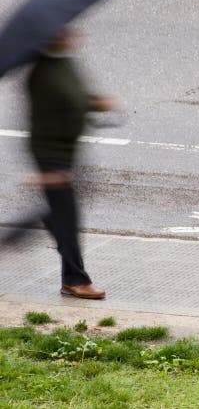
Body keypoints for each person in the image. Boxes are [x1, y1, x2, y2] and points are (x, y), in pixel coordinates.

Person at [4, 27, 116, 299]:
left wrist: (96, 102)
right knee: (65, 218)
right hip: (52, 153)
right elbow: (44, 120)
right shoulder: (40, 75)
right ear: (48, 38)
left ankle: (22, 238)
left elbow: (75, 97)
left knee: (60, 215)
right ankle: (76, 280)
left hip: (67, 152)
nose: (72, 34)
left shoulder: (64, 62)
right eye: (63, 33)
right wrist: (51, 173)